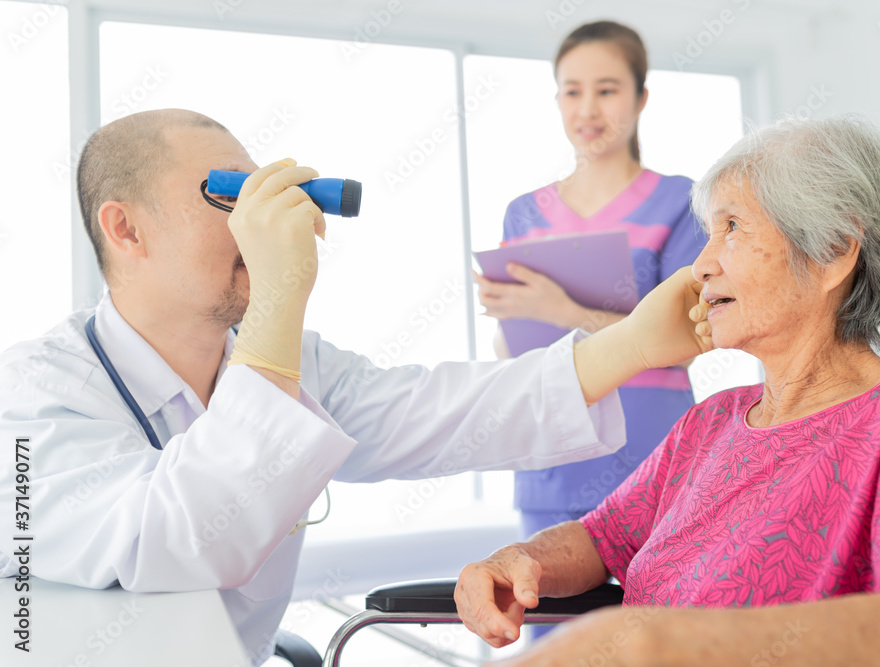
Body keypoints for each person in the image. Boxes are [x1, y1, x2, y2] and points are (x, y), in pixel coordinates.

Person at [0, 108, 712, 666]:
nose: (258, 226)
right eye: (228, 199)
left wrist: (637, 342)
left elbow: (453, 411)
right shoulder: (33, 398)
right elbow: (183, 537)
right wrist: (280, 291)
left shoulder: (284, 360)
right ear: (125, 228)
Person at [455, 115, 880, 667]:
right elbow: (603, 537)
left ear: (833, 251)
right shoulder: (712, 421)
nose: (701, 263)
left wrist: (653, 645)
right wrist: (522, 559)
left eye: (732, 228)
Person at [475, 21, 704, 549]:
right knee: (547, 623)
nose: (587, 110)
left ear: (641, 97)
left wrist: (560, 309)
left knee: (653, 627)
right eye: (572, 92)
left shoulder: (680, 203)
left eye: (607, 90)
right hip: (551, 456)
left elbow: (682, 346)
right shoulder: (525, 213)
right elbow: (513, 349)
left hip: (652, 462)